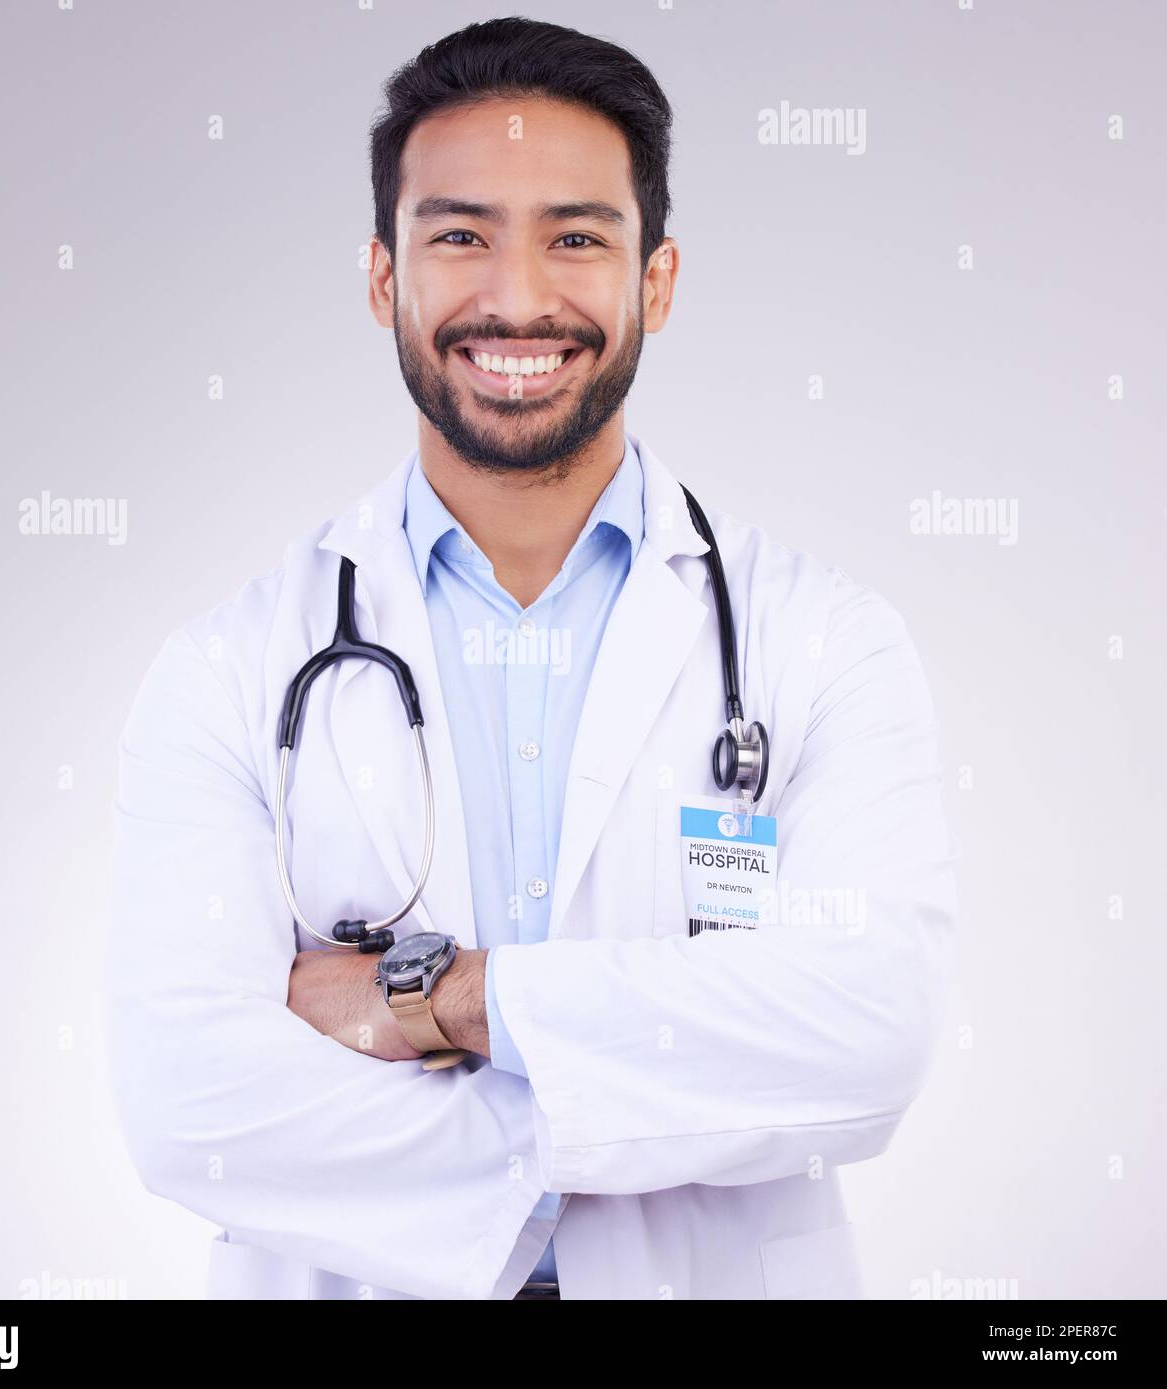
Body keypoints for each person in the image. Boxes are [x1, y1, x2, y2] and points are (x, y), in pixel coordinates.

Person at [104, 16, 957, 1301]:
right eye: (458, 235)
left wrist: (444, 1002)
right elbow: (190, 1104)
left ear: (654, 281)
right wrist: (647, 1099)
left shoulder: (824, 642)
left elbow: (868, 1037)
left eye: (574, 236)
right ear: (384, 278)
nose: (515, 297)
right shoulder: (228, 669)